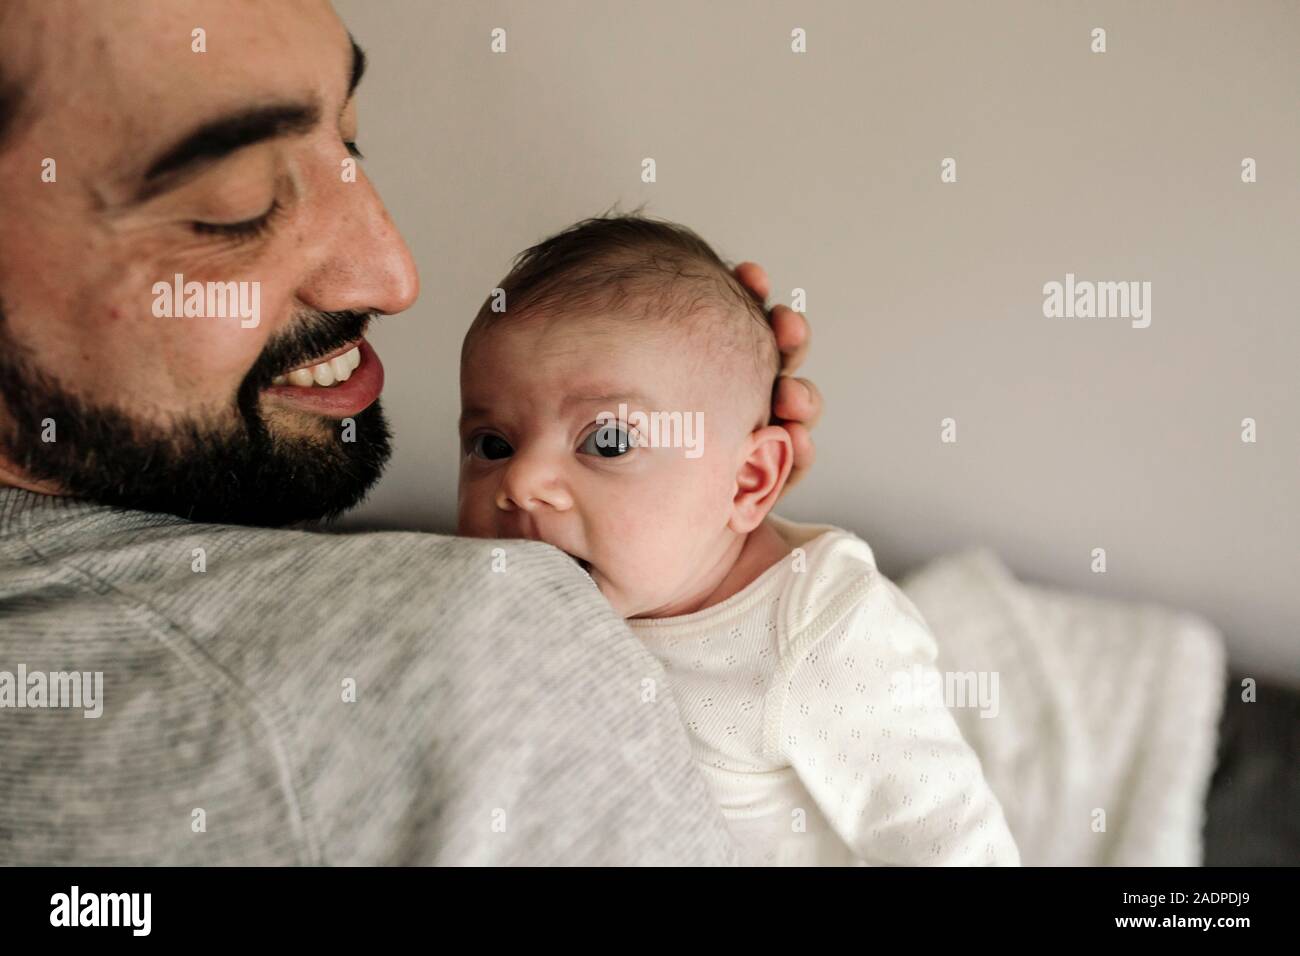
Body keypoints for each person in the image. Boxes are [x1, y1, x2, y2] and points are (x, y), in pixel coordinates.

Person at [0, 1, 822, 864]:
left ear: (752, 476)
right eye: (232, 205)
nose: (392, 274)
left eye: (348, 144)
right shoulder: (488, 640)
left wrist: (693, 511)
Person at [456, 214, 1019, 865]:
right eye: (491, 445)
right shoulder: (507, 601)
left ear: (749, 480)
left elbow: (944, 836)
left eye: (606, 440)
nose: (520, 483)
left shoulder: (817, 629)